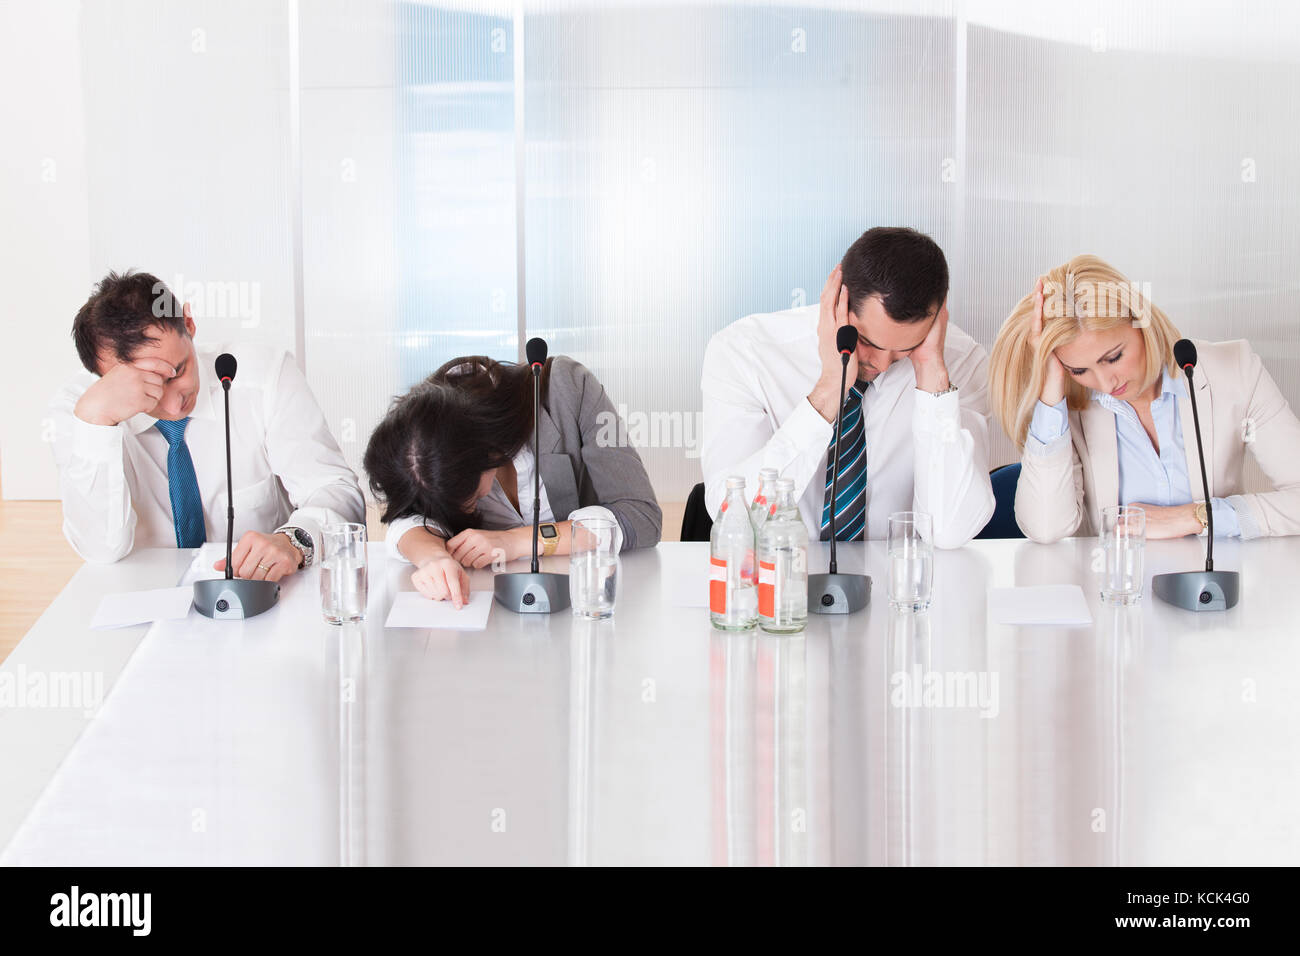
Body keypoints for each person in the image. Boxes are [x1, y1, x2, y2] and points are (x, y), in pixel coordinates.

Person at [50, 270, 365, 578]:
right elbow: (101, 550)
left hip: (261, 590)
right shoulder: (83, 412)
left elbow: (336, 491)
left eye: (178, 371)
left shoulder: (264, 377)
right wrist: (96, 425)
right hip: (145, 594)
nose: (174, 404)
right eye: (147, 390)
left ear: (189, 324)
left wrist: (294, 541)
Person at [700, 226, 995, 549]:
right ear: (836, 300)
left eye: (903, 349)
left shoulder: (959, 362)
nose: (882, 364)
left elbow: (951, 531)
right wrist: (827, 392)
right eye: (868, 342)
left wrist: (932, 380)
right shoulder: (745, 352)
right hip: (781, 582)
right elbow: (731, 514)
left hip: (896, 587)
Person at [989, 254, 1300, 542]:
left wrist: (1195, 517)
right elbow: (1046, 529)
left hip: (1214, 586)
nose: (1105, 383)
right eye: (1080, 369)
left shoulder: (1234, 370)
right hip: (1115, 590)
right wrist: (1051, 385)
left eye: (1114, 357)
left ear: (1140, 321)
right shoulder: (1066, 407)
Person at [365, 353, 661, 606]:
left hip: (584, 604)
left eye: (465, 496)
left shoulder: (567, 389)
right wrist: (432, 558)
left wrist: (517, 541)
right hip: (486, 615)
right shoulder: (423, 437)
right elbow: (407, 521)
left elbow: (641, 516)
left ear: (483, 452)